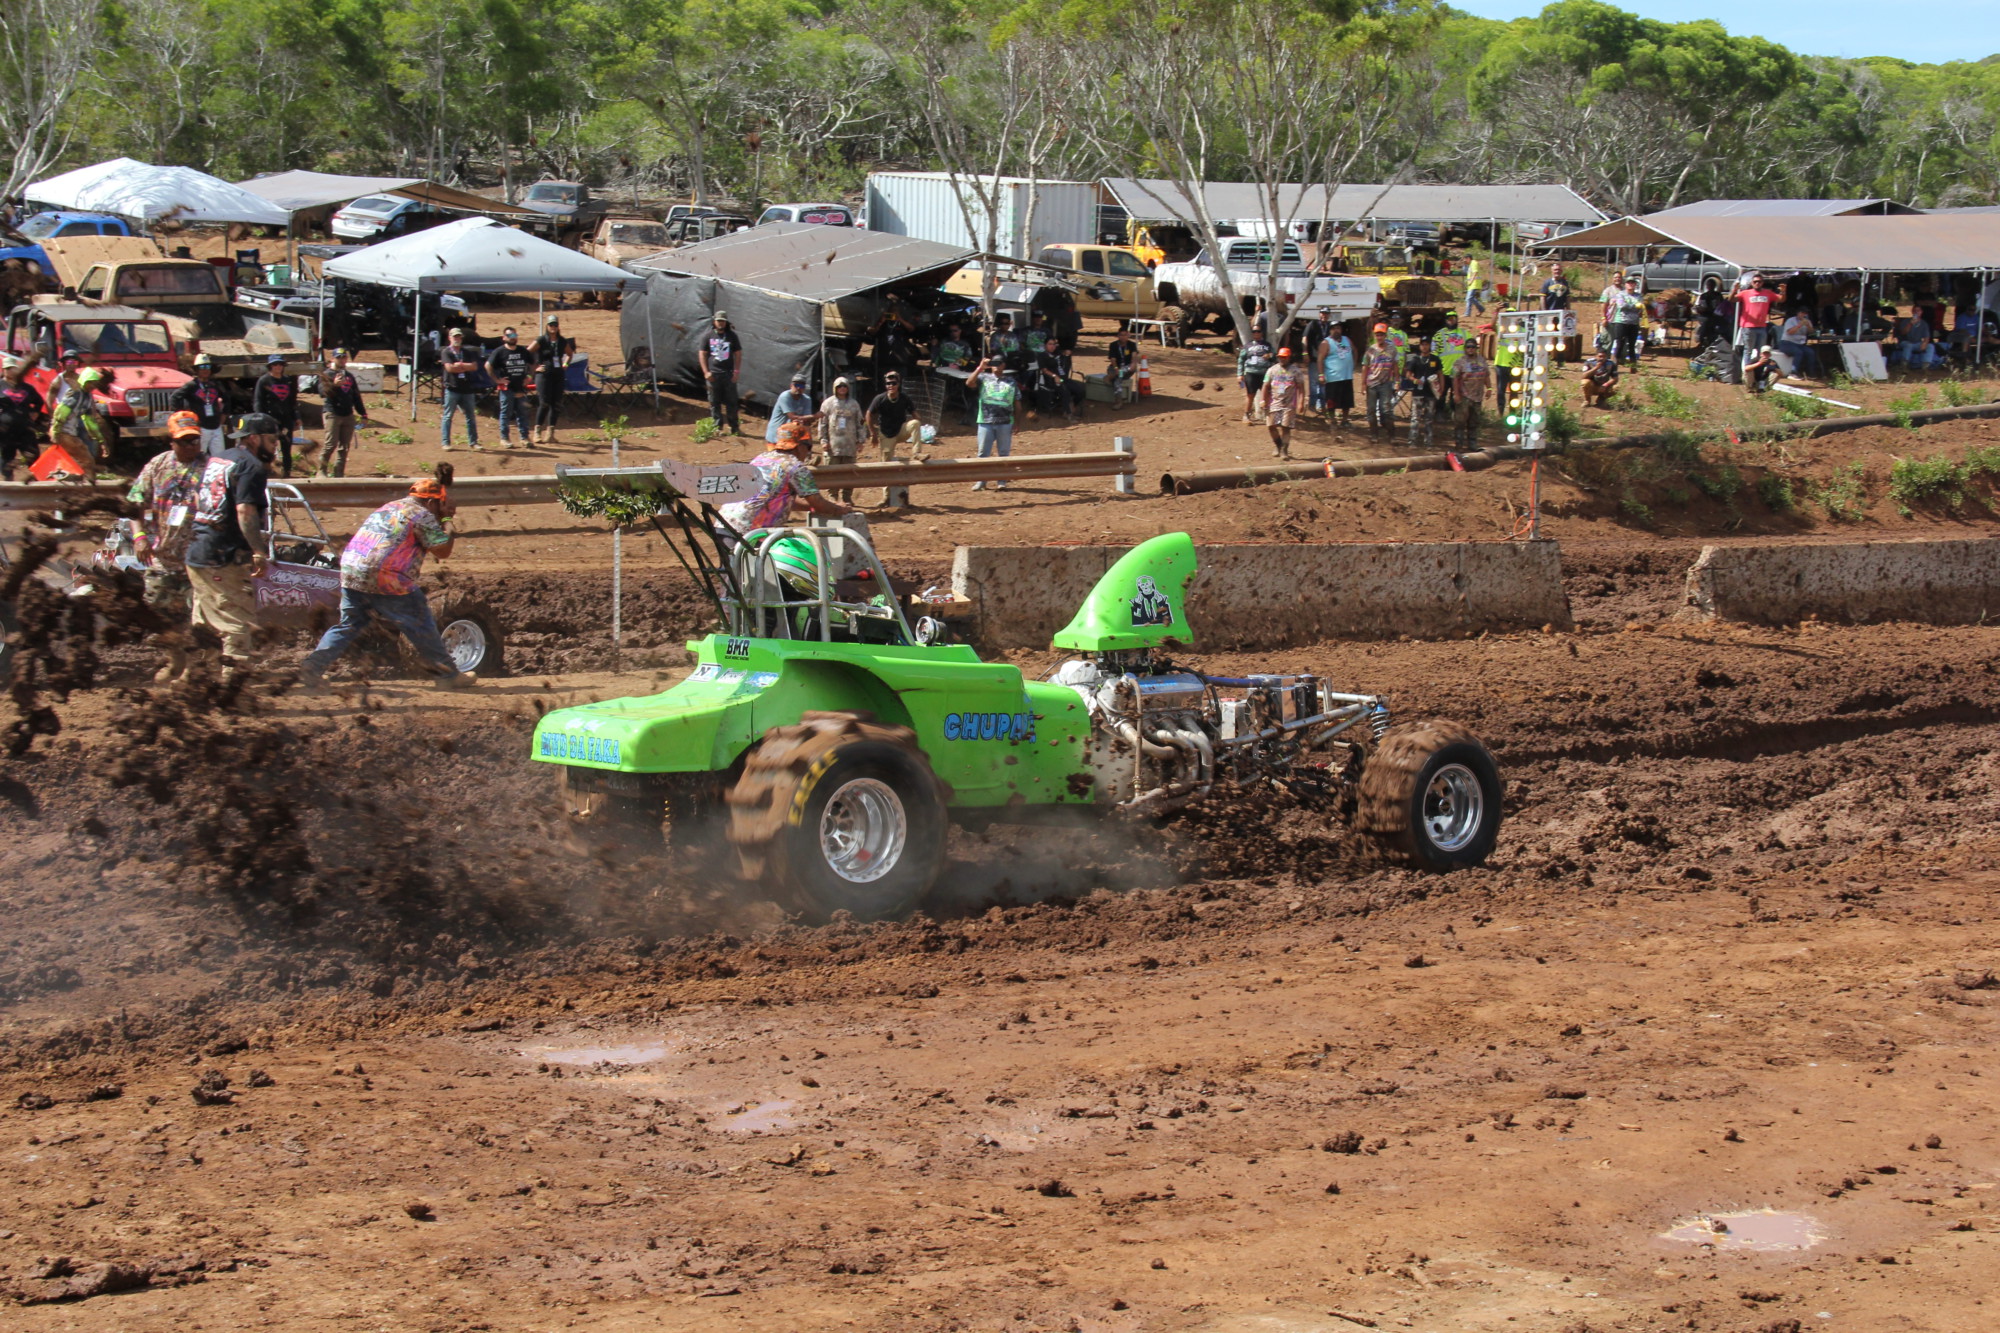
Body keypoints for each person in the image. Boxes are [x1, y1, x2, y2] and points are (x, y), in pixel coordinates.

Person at [301, 477, 475, 691]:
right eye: (441, 504)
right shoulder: (422, 514)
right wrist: (448, 519)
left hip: (352, 570)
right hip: (386, 575)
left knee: (349, 624)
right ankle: (447, 675)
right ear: (431, 502)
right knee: (421, 623)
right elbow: (443, 550)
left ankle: (313, 667)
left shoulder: (388, 507)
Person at [184, 412, 277, 676]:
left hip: (199, 549)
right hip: (222, 555)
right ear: (254, 438)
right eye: (271, 440)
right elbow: (245, 512)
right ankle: (234, 686)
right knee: (237, 621)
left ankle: (196, 677)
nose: (275, 445)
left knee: (204, 622)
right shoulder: (252, 467)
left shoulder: (221, 458)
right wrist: (259, 551)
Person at [127, 410, 208, 681]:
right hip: (163, 555)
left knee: (197, 618)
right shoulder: (157, 466)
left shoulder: (211, 468)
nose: (191, 446)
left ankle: (194, 669)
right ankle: (175, 661)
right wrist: (139, 537)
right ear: (172, 441)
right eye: (184, 441)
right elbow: (133, 505)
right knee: (161, 615)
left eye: (194, 440)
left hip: (197, 558)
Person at [716, 418, 853, 534]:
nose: (809, 453)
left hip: (724, 523)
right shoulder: (796, 468)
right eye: (809, 447)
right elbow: (816, 502)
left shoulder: (761, 459)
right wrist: (839, 509)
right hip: (749, 532)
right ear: (799, 447)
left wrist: (823, 505)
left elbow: (781, 500)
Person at [49, 355, 112, 467]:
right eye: (91, 383)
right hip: (63, 428)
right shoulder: (72, 391)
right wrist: (55, 430)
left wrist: (101, 440)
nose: (93, 386)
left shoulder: (86, 396)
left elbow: (90, 422)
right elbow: (60, 412)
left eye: (95, 384)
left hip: (74, 424)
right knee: (79, 458)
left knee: (84, 455)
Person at [319, 348, 371, 476]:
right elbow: (322, 392)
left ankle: (338, 473)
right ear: (333, 359)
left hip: (347, 414)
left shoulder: (349, 376)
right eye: (339, 357)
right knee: (330, 444)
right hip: (332, 413)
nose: (342, 360)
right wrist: (335, 385)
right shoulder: (326, 374)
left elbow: (356, 396)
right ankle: (321, 471)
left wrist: (363, 414)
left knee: (344, 446)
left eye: (344, 357)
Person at [970, 358, 1019, 490]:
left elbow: (1017, 402)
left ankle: (1001, 480)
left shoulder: (1011, 381)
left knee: (1004, 453)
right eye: (994, 364)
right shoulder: (983, 378)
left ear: (1004, 365)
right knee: (982, 453)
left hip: (1005, 421)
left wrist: (1017, 422)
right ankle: (981, 481)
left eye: (999, 363)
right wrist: (980, 367)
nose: (996, 366)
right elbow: (969, 382)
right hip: (985, 420)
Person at [815, 376, 865, 503]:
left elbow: (860, 423)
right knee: (832, 472)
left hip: (849, 445)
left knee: (850, 472)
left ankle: (847, 497)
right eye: (839, 386)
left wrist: (860, 441)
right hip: (833, 445)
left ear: (848, 388)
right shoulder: (828, 403)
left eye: (844, 386)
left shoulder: (854, 404)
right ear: (835, 388)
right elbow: (823, 424)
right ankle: (833, 496)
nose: (842, 389)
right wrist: (823, 441)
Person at [252, 353, 303, 474]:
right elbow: (258, 400)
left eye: (280, 364)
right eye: (275, 364)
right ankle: (266, 470)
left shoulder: (288, 381)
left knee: (286, 445)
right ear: (270, 366)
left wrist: (297, 416)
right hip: (269, 420)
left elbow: (292, 401)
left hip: (285, 419)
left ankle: (287, 471)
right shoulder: (264, 381)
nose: (278, 367)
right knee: (267, 447)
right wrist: (260, 418)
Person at [170, 352, 228, 454]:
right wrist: (181, 415)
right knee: (199, 456)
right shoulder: (192, 385)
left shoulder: (215, 384)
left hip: (216, 426)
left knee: (220, 457)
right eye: (202, 367)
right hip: (200, 427)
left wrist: (224, 415)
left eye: (207, 366)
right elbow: (175, 397)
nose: (205, 369)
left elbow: (227, 399)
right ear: (197, 370)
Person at [0, 352, 45, 480]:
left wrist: (35, 412)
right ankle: (8, 483)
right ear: (4, 370)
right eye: (8, 369)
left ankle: (36, 481)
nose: (11, 371)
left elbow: (39, 401)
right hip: (6, 430)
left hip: (26, 429)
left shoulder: (26, 387)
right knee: (7, 456)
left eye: (13, 368)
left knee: (33, 454)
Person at [698, 312, 743, 436]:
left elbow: (738, 354)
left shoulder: (732, 336)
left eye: (722, 321)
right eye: (718, 321)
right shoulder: (707, 336)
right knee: (714, 402)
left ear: (726, 322)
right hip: (713, 375)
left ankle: (734, 428)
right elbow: (702, 353)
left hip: (728, 374)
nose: (720, 323)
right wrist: (706, 372)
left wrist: (736, 372)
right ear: (714, 322)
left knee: (732, 402)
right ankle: (717, 428)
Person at [486, 327, 532, 447]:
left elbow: (533, 363)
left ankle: (525, 438)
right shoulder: (499, 352)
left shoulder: (523, 351)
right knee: (506, 413)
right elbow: (487, 365)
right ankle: (504, 438)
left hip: (520, 388)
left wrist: (529, 377)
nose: (513, 338)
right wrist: (497, 380)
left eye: (515, 335)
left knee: (522, 413)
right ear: (504, 338)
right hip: (507, 388)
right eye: (510, 336)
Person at [438, 329, 482, 453]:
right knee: (448, 416)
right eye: (455, 337)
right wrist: (463, 366)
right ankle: (446, 442)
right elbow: (450, 368)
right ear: (450, 338)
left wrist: (460, 365)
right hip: (452, 388)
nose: (457, 339)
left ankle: (473, 442)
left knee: (471, 416)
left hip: (467, 388)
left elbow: (474, 366)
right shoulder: (446, 352)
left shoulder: (466, 352)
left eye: (459, 337)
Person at [865, 371, 924, 461]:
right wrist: (873, 434)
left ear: (898, 384)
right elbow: (868, 414)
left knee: (915, 423)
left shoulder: (904, 398)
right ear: (885, 385)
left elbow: (914, 414)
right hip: (886, 433)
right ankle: (906, 461)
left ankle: (917, 453)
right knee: (886, 461)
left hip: (900, 430)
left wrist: (920, 425)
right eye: (888, 383)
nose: (891, 386)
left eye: (894, 383)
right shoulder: (880, 399)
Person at [1260, 346, 1306, 460]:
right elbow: (1265, 386)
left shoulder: (1296, 371)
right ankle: (1278, 445)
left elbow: (1301, 388)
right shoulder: (1272, 370)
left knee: (1286, 427)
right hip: (1274, 402)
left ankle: (1284, 450)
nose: (1282, 359)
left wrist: (1301, 403)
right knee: (1271, 426)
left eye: (1285, 357)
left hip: (1289, 404)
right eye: (1281, 357)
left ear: (1289, 357)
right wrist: (1262, 400)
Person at [532, 318, 571, 444]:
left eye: (555, 325)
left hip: (558, 374)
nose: (553, 327)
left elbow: (570, 354)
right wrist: (535, 367)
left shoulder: (562, 341)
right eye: (551, 325)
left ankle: (551, 433)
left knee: (556, 403)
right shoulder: (541, 340)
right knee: (544, 402)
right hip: (544, 374)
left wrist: (565, 364)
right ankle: (537, 432)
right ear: (547, 326)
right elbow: (527, 352)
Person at [1402, 343, 1443, 448]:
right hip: (1418, 393)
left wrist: (1441, 388)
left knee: (1429, 419)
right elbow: (1408, 374)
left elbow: (1440, 374)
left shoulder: (1435, 359)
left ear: (1429, 346)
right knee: (1415, 418)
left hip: (1430, 393)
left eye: (1426, 345)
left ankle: (1428, 442)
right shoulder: (1415, 360)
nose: (1424, 347)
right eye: (1422, 345)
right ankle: (1412, 441)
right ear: (1420, 347)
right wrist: (1415, 380)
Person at [1450, 343, 1490, 451]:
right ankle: (1459, 444)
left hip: (1478, 396)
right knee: (1460, 421)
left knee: (1474, 421)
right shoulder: (1459, 362)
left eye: (1473, 347)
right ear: (1465, 349)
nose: (1470, 349)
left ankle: (1472, 444)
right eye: (1468, 347)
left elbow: (1486, 375)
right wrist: (1456, 394)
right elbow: (1455, 379)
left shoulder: (1482, 360)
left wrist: (1489, 388)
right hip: (1464, 395)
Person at [1316, 321, 1355, 429]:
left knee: (1347, 400)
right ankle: (1332, 420)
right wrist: (1321, 374)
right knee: (1332, 400)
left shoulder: (1346, 340)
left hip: (1347, 376)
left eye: (1338, 328)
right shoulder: (1326, 343)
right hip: (1333, 377)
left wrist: (1352, 364)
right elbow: (1320, 359)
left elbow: (1354, 351)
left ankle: (1345, 420)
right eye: (1334, 328)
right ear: (1330, 330)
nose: (1336, 330)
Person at [1362, 323, 1399, 431]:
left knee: (1386, 410)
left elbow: (1395, 366)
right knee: (1371, 410)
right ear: (1374, 336)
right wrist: (1363, 384)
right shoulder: (1370, 350)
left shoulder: (1392, 349)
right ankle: (1374, 434)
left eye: (1381, 335)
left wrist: (1397, 381)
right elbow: (1365, 367)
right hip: (1372, 384)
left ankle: (1391, 434)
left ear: (1385, 335)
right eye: (1377, 335)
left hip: (1386, 383)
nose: (1379, 337)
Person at [1730, 273, 1777, 358]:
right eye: (1755, 282)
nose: (1757, 283)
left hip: (1762, 326)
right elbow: (1731, 299)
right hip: (1748, 327)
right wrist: (1734, 290)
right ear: (1751, 283)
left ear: (1762, 283)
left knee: (1761, 350)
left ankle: (1757, 370)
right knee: (1748, 350)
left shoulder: (1768, 293)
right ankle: (1746, 370)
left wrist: (1783, 291)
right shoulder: (1745, 293)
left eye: (1759, 282)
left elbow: (1781, 299)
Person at [1431, 312, 1472, 407]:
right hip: (1444, 370)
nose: (1451, 321)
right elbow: (1433, 353)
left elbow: (1472, 351)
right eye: (1449, 319)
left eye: (1453, 318)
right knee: (1441, 393)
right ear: (1445, 320)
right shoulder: (1439, 335)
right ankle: (1439, 413)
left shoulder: (1465, 333)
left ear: (1457, 320)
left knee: (1457, 395)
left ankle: (1454, 414)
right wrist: (1433, 369)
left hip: (1460, 371)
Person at [766, 373, 818, 444]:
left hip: (791, 436)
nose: (799, 388)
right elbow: (792, 416)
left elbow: (806, 422)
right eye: (796, 385)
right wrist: (814, 416)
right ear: (791, 386)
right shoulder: (785, 396)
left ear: (804, 388)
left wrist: (809, 444)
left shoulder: (807, 399)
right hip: (776, 434)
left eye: (801, 386)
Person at [1032, 338, 1076, 421]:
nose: (1052, 346)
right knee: (1065, 390)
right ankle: (1068, 413)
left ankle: (1072, 406)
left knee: (1080, 389)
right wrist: (1054, 376)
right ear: (1045, 345)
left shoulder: (1058, 354)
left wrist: (1067, 354)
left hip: (1064, 379)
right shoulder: (1042, 356)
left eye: (1054, 344)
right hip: (1051, 380)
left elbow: (1066, 358)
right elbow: (1044, 370)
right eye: (1050, 344)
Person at [1604, 277, 1644, 366]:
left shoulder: (1639, 296)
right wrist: (1634, 306)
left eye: (1632, 283)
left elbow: (1641, 307)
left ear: (1635, 284)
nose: (1630, 284)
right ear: (1625, 284)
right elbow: (1621, 305)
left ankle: (1633, 366)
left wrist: (1633, 306)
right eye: (1629, 282)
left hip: (1634, 323)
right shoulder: (1620, 294)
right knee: (1619, 344)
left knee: (1632, 345)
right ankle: (1614, 366)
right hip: (1621, 322)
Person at [1237, 329, 1275, 424]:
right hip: (1251, 372)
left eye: (1258, 331)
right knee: (1250, 394)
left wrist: (1269, 355)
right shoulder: (1248, 345)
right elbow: (1241, 359)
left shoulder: (1267, 345)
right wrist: (1239, 374)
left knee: (1266, 394)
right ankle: (1246, 415)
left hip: (1264, 373)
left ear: (1262, 333)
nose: (1256, 333)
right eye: (1254, 331)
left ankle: (1268, 416)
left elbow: (1275, 356)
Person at [1776, 309, 1821, 378]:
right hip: (1787, 343)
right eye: (1802, 313)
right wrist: (1800, 325)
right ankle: (1793, 372)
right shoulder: (1790, 320)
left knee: (1810, 352)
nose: (1804, 315)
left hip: (1800, 344)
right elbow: (1790, 332)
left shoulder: (1808, 321)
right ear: (1798, 313)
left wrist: (1808, 326)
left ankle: (1810, 373)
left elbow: (1811, 332)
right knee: (1798, 352)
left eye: (1805, 313)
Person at [986, 313, 1027, 378]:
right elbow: (994, 350)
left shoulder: (1012, 335)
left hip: (1012, 358)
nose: (1004, 326)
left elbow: (1016, 348)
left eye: (1007, 323)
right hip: (1001, 360)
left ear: (1010, 324)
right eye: (1003, 323)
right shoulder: (995, 335)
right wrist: (1003, 345)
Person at [1695, 277, 1729, 350]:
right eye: (1709, 285)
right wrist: (1701, 309)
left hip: (1716, 316)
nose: (1710, 287)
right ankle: (1702, 340)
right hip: (1705, 316)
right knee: (1705, 325)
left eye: (1711, 285)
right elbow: (1701, 307)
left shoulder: (1718, 295)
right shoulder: (1703, 295)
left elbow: (1721, 306)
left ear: (1714, 286)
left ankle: (1714, 342)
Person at [1106, 327, 1138, 402]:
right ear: (1118, 336)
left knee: (1125, 371)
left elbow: (1134, 355)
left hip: (1127, 368)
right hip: (1116, 368)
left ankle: (1111, 377)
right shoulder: (1113, 345)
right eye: (1121, 335)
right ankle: (1119, 399)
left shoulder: (1132, 345)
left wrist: (1133, 363)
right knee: (1118, 379)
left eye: (1125, 335)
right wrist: (1116, 368)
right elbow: (1113, 359)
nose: (1123, 337)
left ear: (1128, 335)